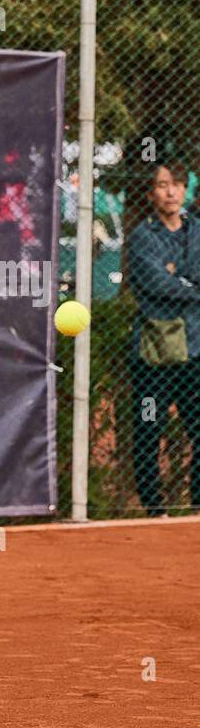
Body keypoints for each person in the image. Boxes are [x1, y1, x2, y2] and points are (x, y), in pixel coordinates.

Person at [126, 160, 200, 516]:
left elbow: (177, 282)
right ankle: (155, 510)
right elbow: (154, 284)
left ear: (186, 189)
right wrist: (187, 284)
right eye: (162, 185)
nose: (170, 192)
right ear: (150, 193)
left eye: (177, 184)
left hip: (195, 353)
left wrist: (180, 282)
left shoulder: (197, 230)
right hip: (153, 357)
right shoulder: (143, 236)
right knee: (148, 428)